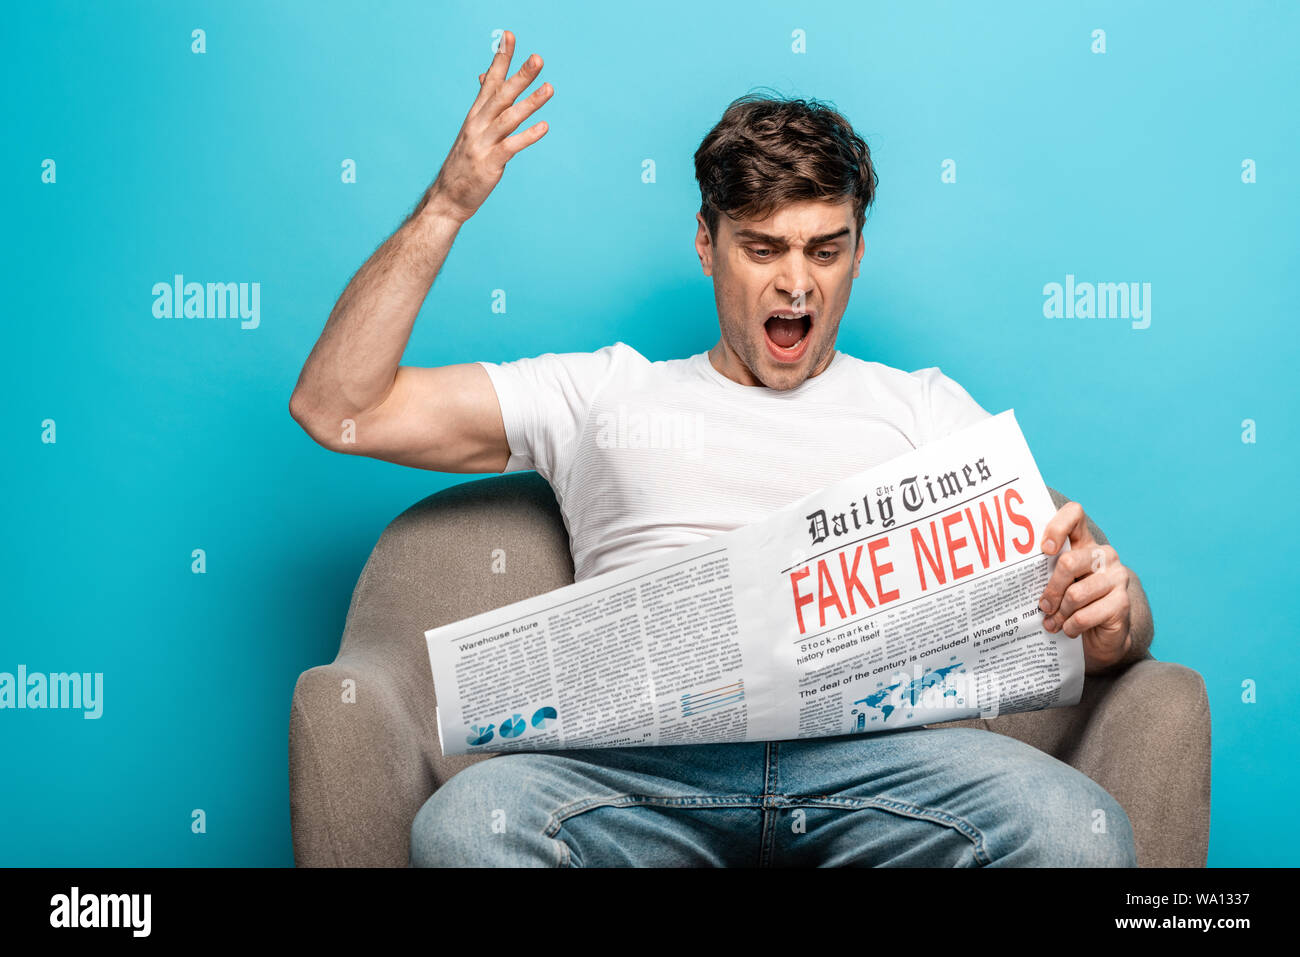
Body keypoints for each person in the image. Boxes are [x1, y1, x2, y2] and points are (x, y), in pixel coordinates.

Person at [289, 30, 1153, 867]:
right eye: (763, 248)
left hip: (882, 766)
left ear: (858, 252)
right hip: (637, 777)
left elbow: (1111, 627)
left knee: (1078, 829)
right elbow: (337, 407)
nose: (796, 282)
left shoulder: (926, 407)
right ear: (707, 245)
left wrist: (1116, 614)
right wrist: (446, 206)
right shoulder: (603, 393)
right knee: (469, 826)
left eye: (826, 249)